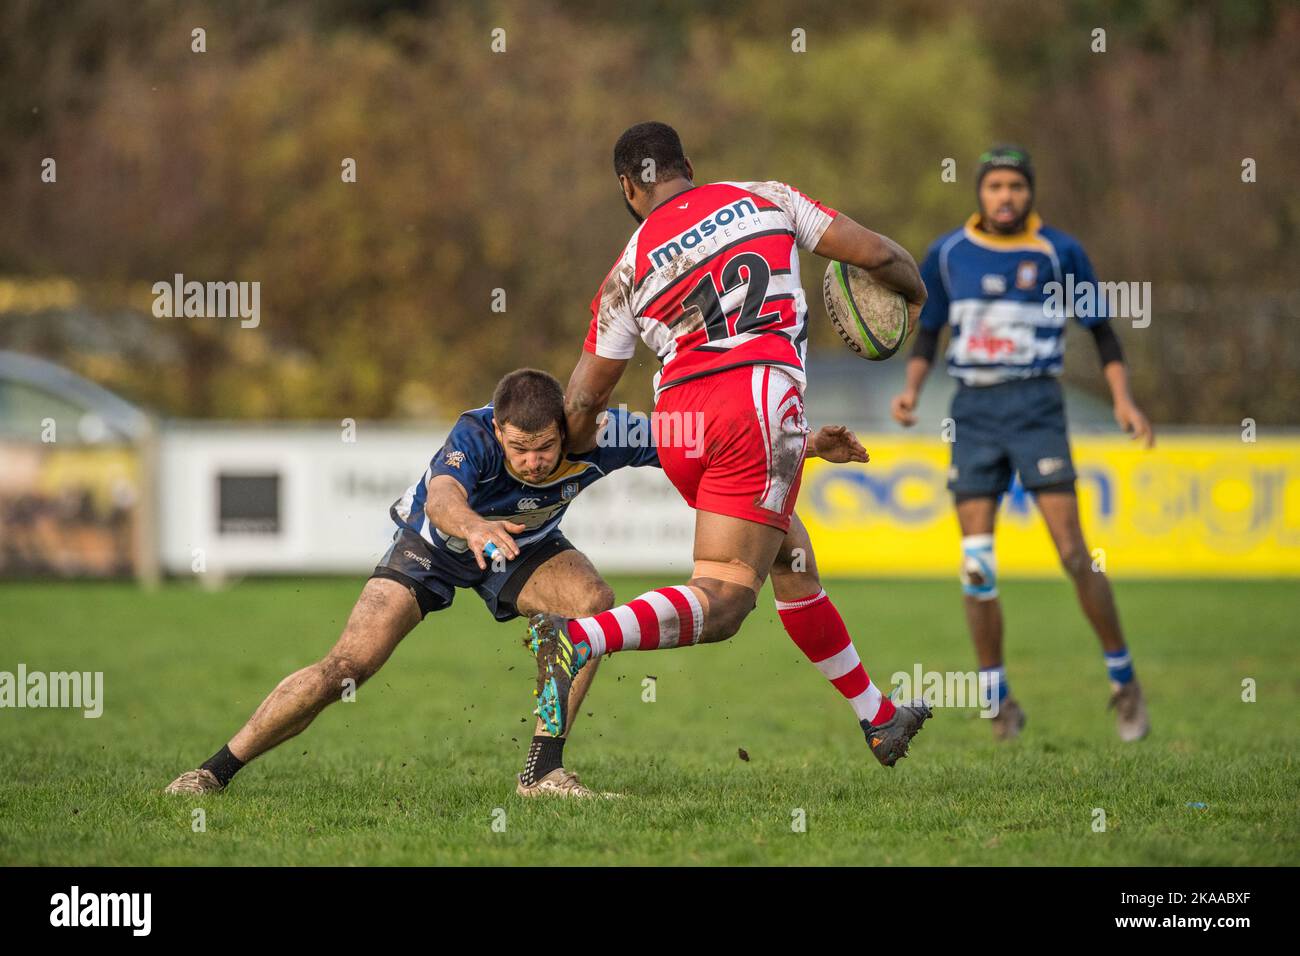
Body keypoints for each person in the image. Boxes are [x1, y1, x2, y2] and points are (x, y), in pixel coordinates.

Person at [164, 367, 871, 798]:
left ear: (567, 430)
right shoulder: (473, 434)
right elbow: (442, 499)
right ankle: (215, 770)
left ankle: (541, 771)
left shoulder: (599, 433)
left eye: (544, 448)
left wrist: (803, 443)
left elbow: (707, 441)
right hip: (435, 545)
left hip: (526, 548)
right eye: (518, 448)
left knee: (592, 606)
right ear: (497, 431)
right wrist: (471, 527)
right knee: (348, 665)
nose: (533, 462)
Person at [524, 121, 933, 768]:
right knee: (727, 599)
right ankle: (585, 636)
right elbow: (880, 258)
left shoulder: (626, 272)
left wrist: (564, 452)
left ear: (629, 188)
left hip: (682, 427)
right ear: (688, 164)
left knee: (790, 558)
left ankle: (878, 718)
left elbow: (582, 401)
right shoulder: (767, 197)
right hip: (757, 408)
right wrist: (914, 293)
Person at [890, 144, 1153, 741]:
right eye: (994, 186)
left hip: (1036, 407)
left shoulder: (1060, 252)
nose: (1005, 196)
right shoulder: (948, 254)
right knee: (977, 567)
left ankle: (1124, 679)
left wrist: (1123, 400)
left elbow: (1104, 334)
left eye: (1015, 185)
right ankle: (999, 700)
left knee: (1072, 552)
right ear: (979, 192)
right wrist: (911, 390)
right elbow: (928, 332)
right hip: (975, 412)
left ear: (1030, 191)